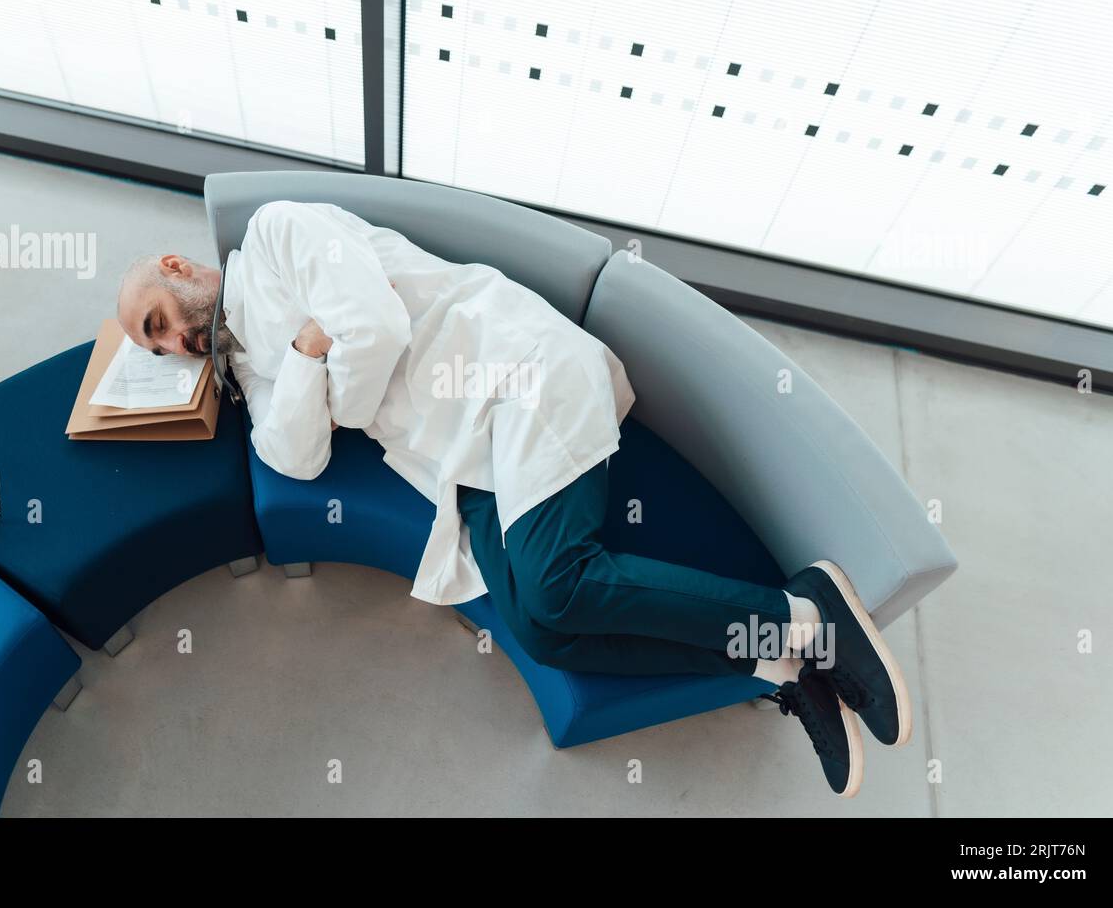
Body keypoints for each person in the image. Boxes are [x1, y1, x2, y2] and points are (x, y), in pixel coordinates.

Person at [116, 199, 911, 797]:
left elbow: (379, 330)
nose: (171, 341)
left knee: (560, 584)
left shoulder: (279, 236)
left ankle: (807, 613)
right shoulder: (253, 363)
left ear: (178, 268)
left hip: (512, 375)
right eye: (157, 346)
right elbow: (296, 452)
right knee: (545, 630)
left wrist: (334, 381)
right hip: (467, 463)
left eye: (157, 320)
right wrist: (309, 346)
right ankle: (775, 661)